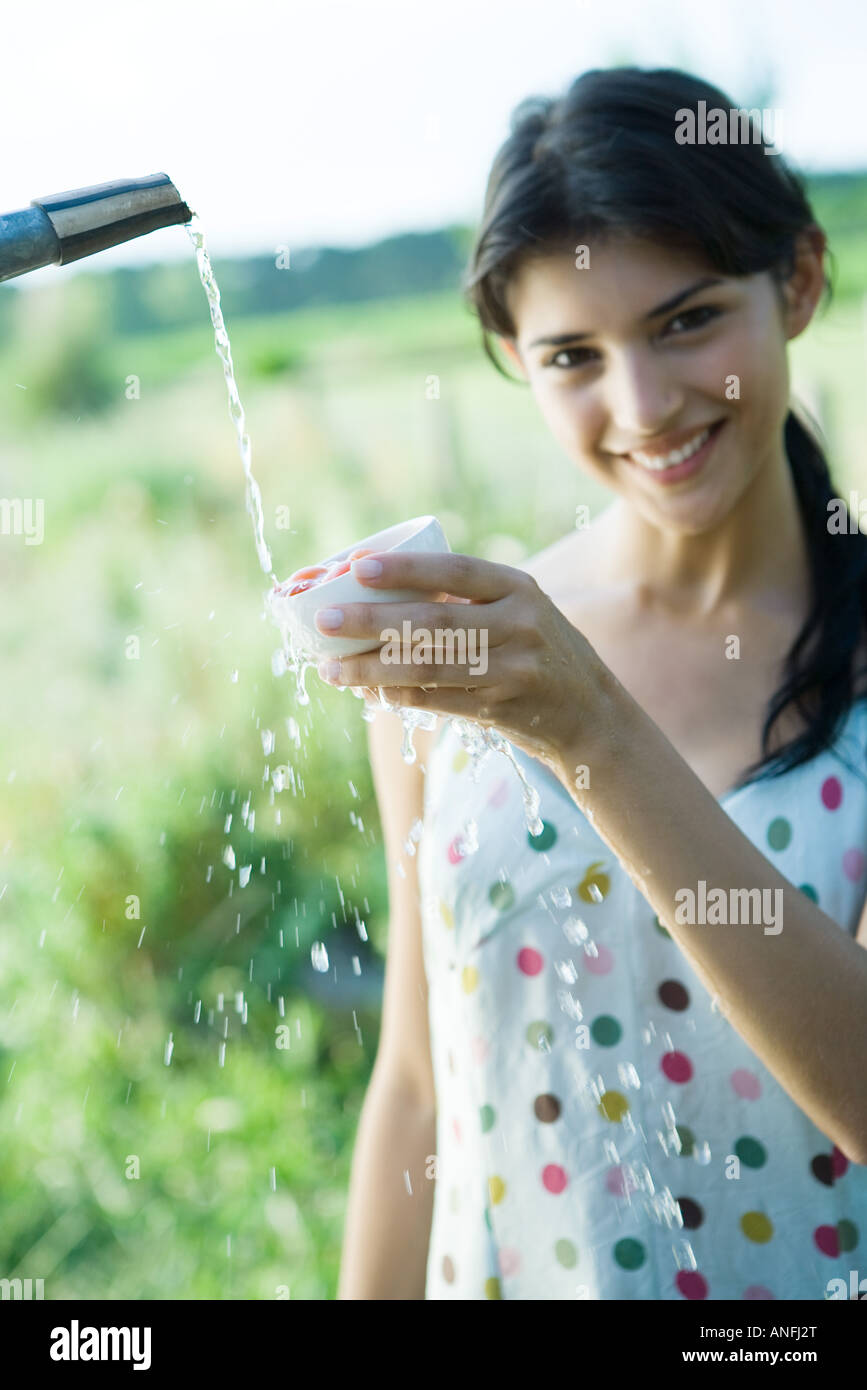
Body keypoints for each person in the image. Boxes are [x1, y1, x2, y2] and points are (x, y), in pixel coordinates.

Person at [332, 67, 867, 1300]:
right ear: (515, 360)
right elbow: (418, 1081)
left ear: (798, 281)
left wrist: (593, 734)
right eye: (573, 354)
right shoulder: (462, 648)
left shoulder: (541, 677)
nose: (644, 404)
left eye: (687, 321)